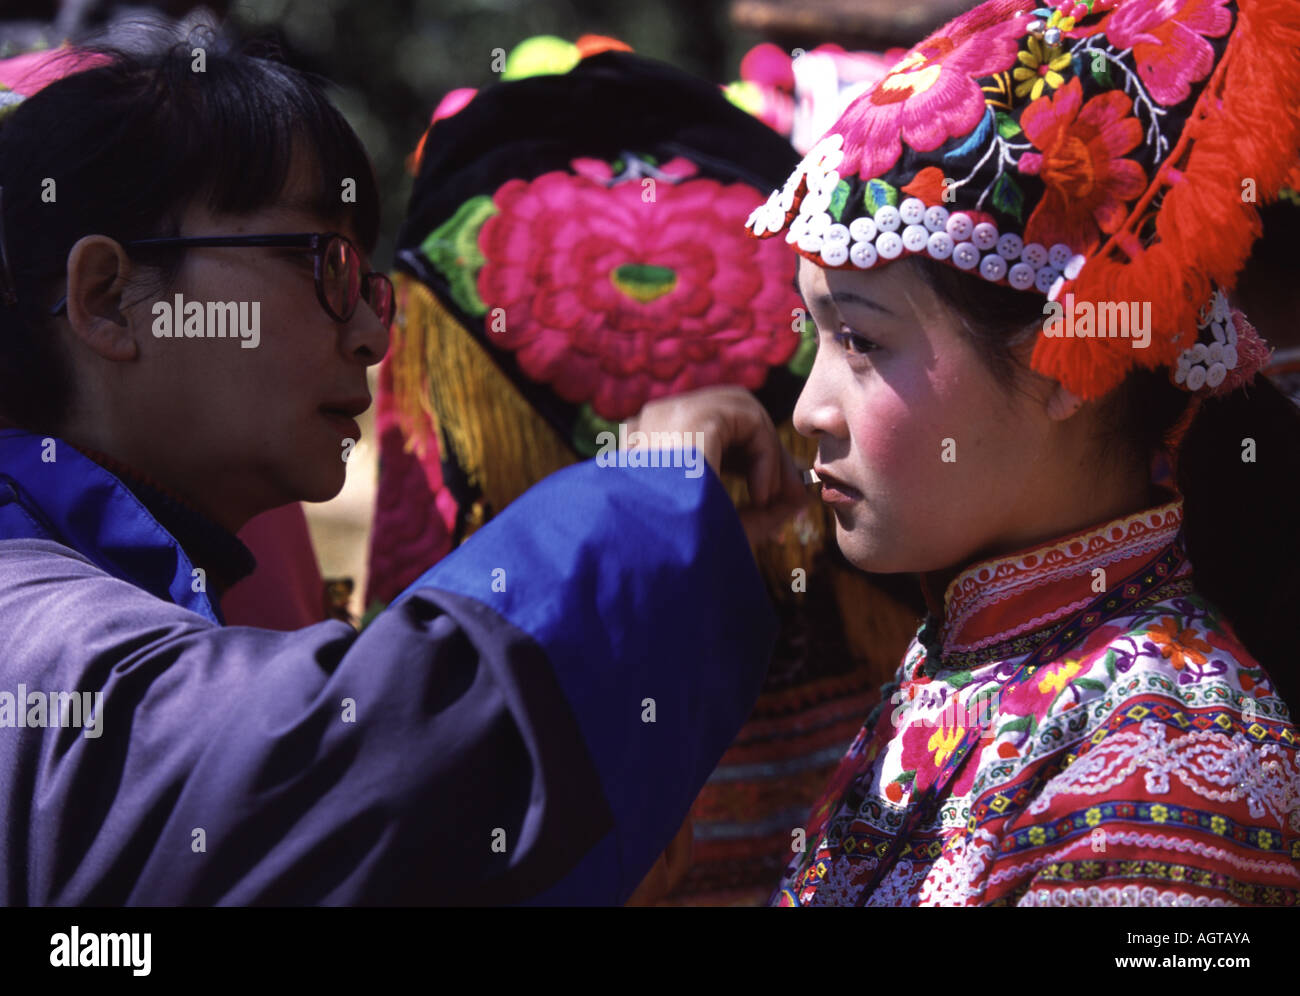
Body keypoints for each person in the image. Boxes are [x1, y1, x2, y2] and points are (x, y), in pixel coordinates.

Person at [0, 38, 805, 905]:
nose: (374, 339)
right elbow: (342, 775)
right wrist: (649, 510)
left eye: (370, 283)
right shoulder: (29, 623)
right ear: (109, 297)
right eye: (325, 265)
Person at [744, 0, 1300, 905]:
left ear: (1068, 358)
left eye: (863, 342)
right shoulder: (969, 658)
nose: (808, 409)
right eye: (817, 338)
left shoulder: (1163, 760)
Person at [364, 42, 925, 904]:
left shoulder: (461, 246)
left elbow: (419, 541)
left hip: (536, 664)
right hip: (811, 692)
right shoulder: (762, 201)